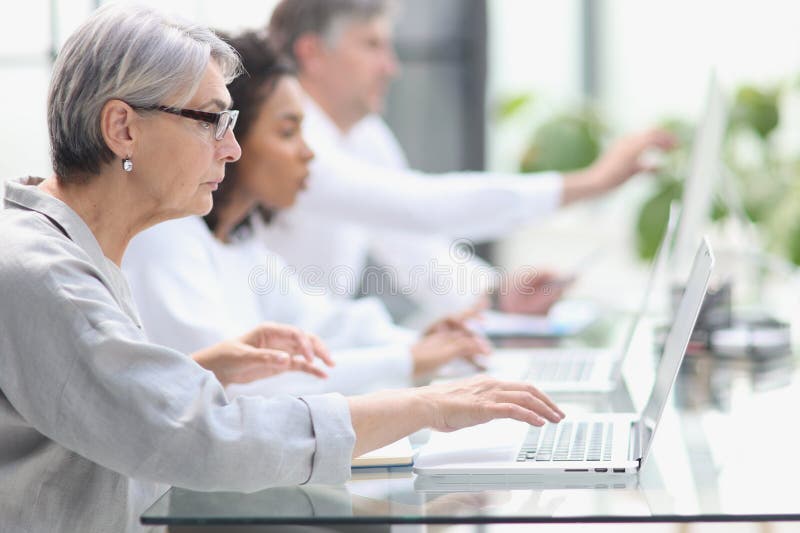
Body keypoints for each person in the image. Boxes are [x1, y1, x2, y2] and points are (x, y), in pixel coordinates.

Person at [0, 6, 563, 532]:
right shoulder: (43, 272)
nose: (232, 150)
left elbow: (105, 412)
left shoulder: (68, 252)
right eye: (211, 121)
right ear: (123, 128)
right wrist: (427, 405)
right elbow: (202, 439)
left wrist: (201, 370)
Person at [122, 30, 493, 398]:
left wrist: (418, 343)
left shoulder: (237, 241)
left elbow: (322, 323)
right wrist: (406, 358)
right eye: (287, 132)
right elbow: (244, 386)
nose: (308, 153)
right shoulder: (165, 239)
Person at [262, 0, 676, 322]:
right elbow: (422, 206)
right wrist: (591, 182)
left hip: (317, 361)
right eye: (372, 45)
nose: (391, 68)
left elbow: (412, 246)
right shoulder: (289, 143)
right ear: (312, 53)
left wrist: (496, 294)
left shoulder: (362, 134)